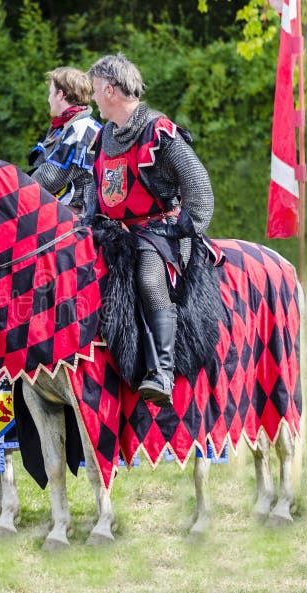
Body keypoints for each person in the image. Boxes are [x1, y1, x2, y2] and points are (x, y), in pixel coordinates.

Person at [86, 53, 216, 408]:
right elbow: (94, 189)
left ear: (111, 90)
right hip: (113, 233)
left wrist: (183, 229)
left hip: (159, 232)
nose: (93, 98)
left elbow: (198, 185)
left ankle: (162, 371)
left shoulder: (157, 131)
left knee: (148, 276)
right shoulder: (104, 137)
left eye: (96, 90)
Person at [27, 67, 101, 214]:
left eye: (50, 94)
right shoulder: (65, 126)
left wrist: (15, 185)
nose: (48, 99)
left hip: (78, 220)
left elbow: (47, 179)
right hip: (59, 211)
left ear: (60, 95)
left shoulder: (83, 129)